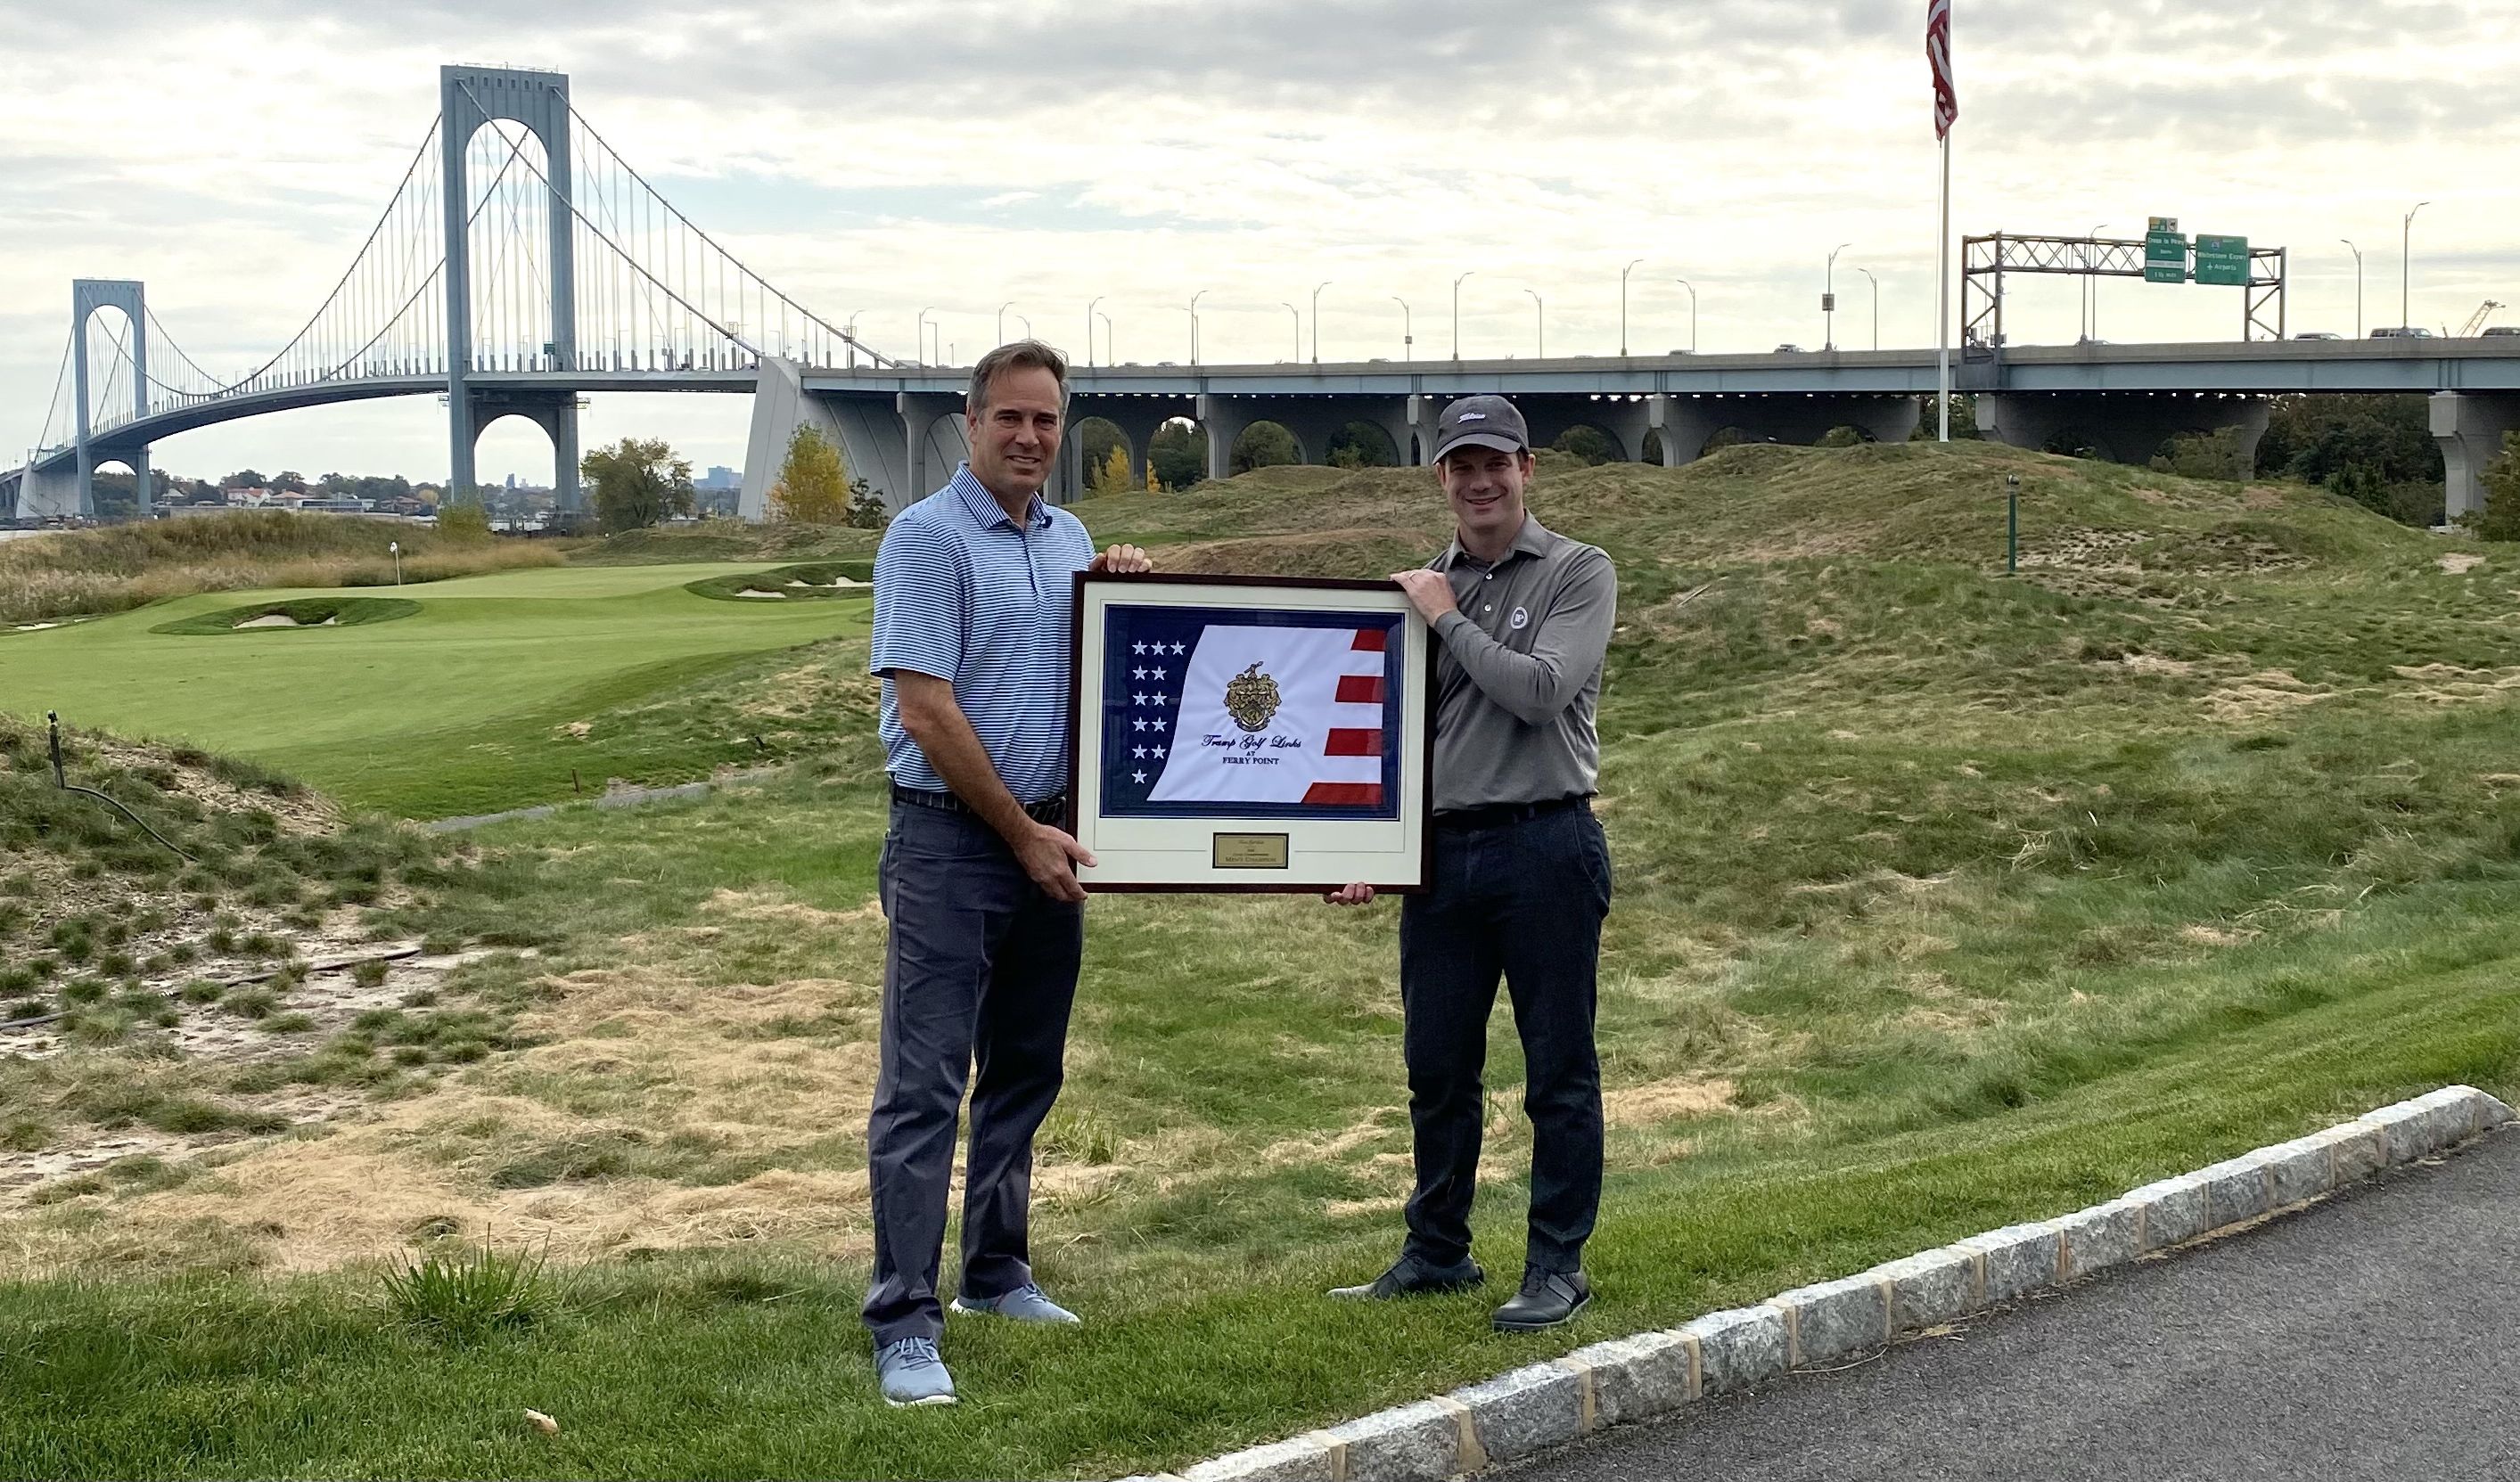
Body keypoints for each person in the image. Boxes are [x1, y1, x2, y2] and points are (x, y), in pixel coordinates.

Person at [862, 340, 1150, 1407]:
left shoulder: (1068, 532)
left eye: (1046, 420)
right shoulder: (924, 538)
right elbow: (925, 708)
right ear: (969, 423)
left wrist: (1120, 593)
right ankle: (903, 1317)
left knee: (1025, 1069)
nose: (1029, 437)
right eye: (1010, 419)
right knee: (924, 1086)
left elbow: (1093, 674)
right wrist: (1020, 836)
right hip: (950, 843)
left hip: (1051, 838)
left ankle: (995, 1271)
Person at [1327, 394, 1617, 1332]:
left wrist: (1446, 616)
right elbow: (1388, 735)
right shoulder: (1417, 587)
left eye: (1495, 462)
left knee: (1557, 1070)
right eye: (1461, 466)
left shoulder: (1578, 570)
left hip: (1547, 843)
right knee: (1438, 1066)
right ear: (1440, 477)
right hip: (1441, 854)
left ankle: (1556, 1266)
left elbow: (1538, 692)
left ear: (1527, 469)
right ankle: (1438, 1250)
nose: (1479, 481)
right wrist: (1368, 842)